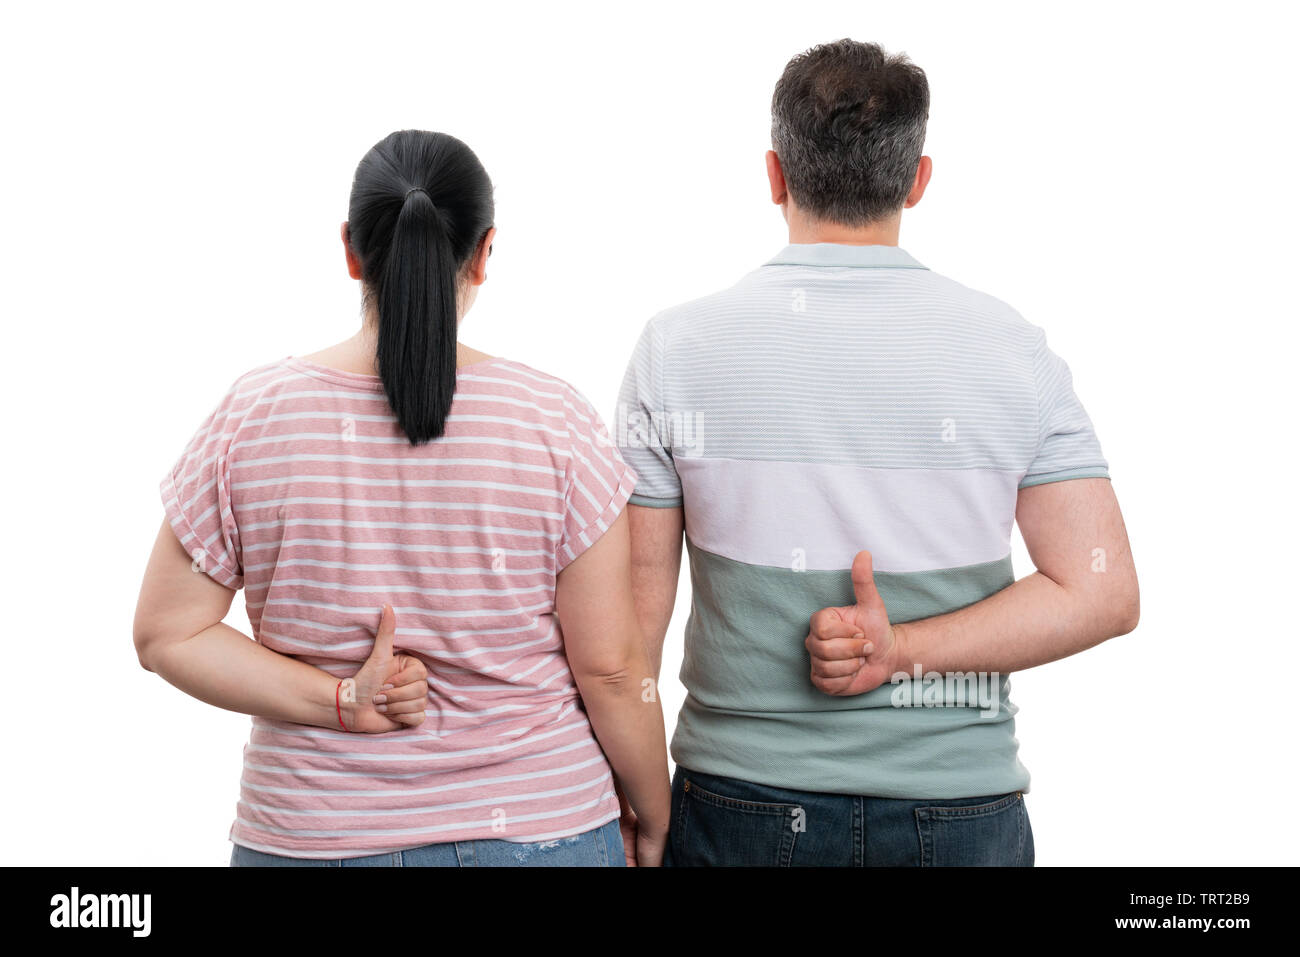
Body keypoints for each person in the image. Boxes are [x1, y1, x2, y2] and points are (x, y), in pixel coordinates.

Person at [615, 39, 1139, 866]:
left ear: (775, 174)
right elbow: (1103, 590)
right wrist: (906, 653)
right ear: (918, 179)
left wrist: (638, 800)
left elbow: (633, 631)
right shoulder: (1012, 350)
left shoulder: (676, 348)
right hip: (959, 813)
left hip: (741, 805)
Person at [133, 129, 670, 867]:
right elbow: (610, 669)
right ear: (484, 254)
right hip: (539, 831)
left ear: (352, 250)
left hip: (313, 837)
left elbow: (168, 634)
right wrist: (654, 805)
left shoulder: (255, 418)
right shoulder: (555, 422)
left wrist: (342, 700)